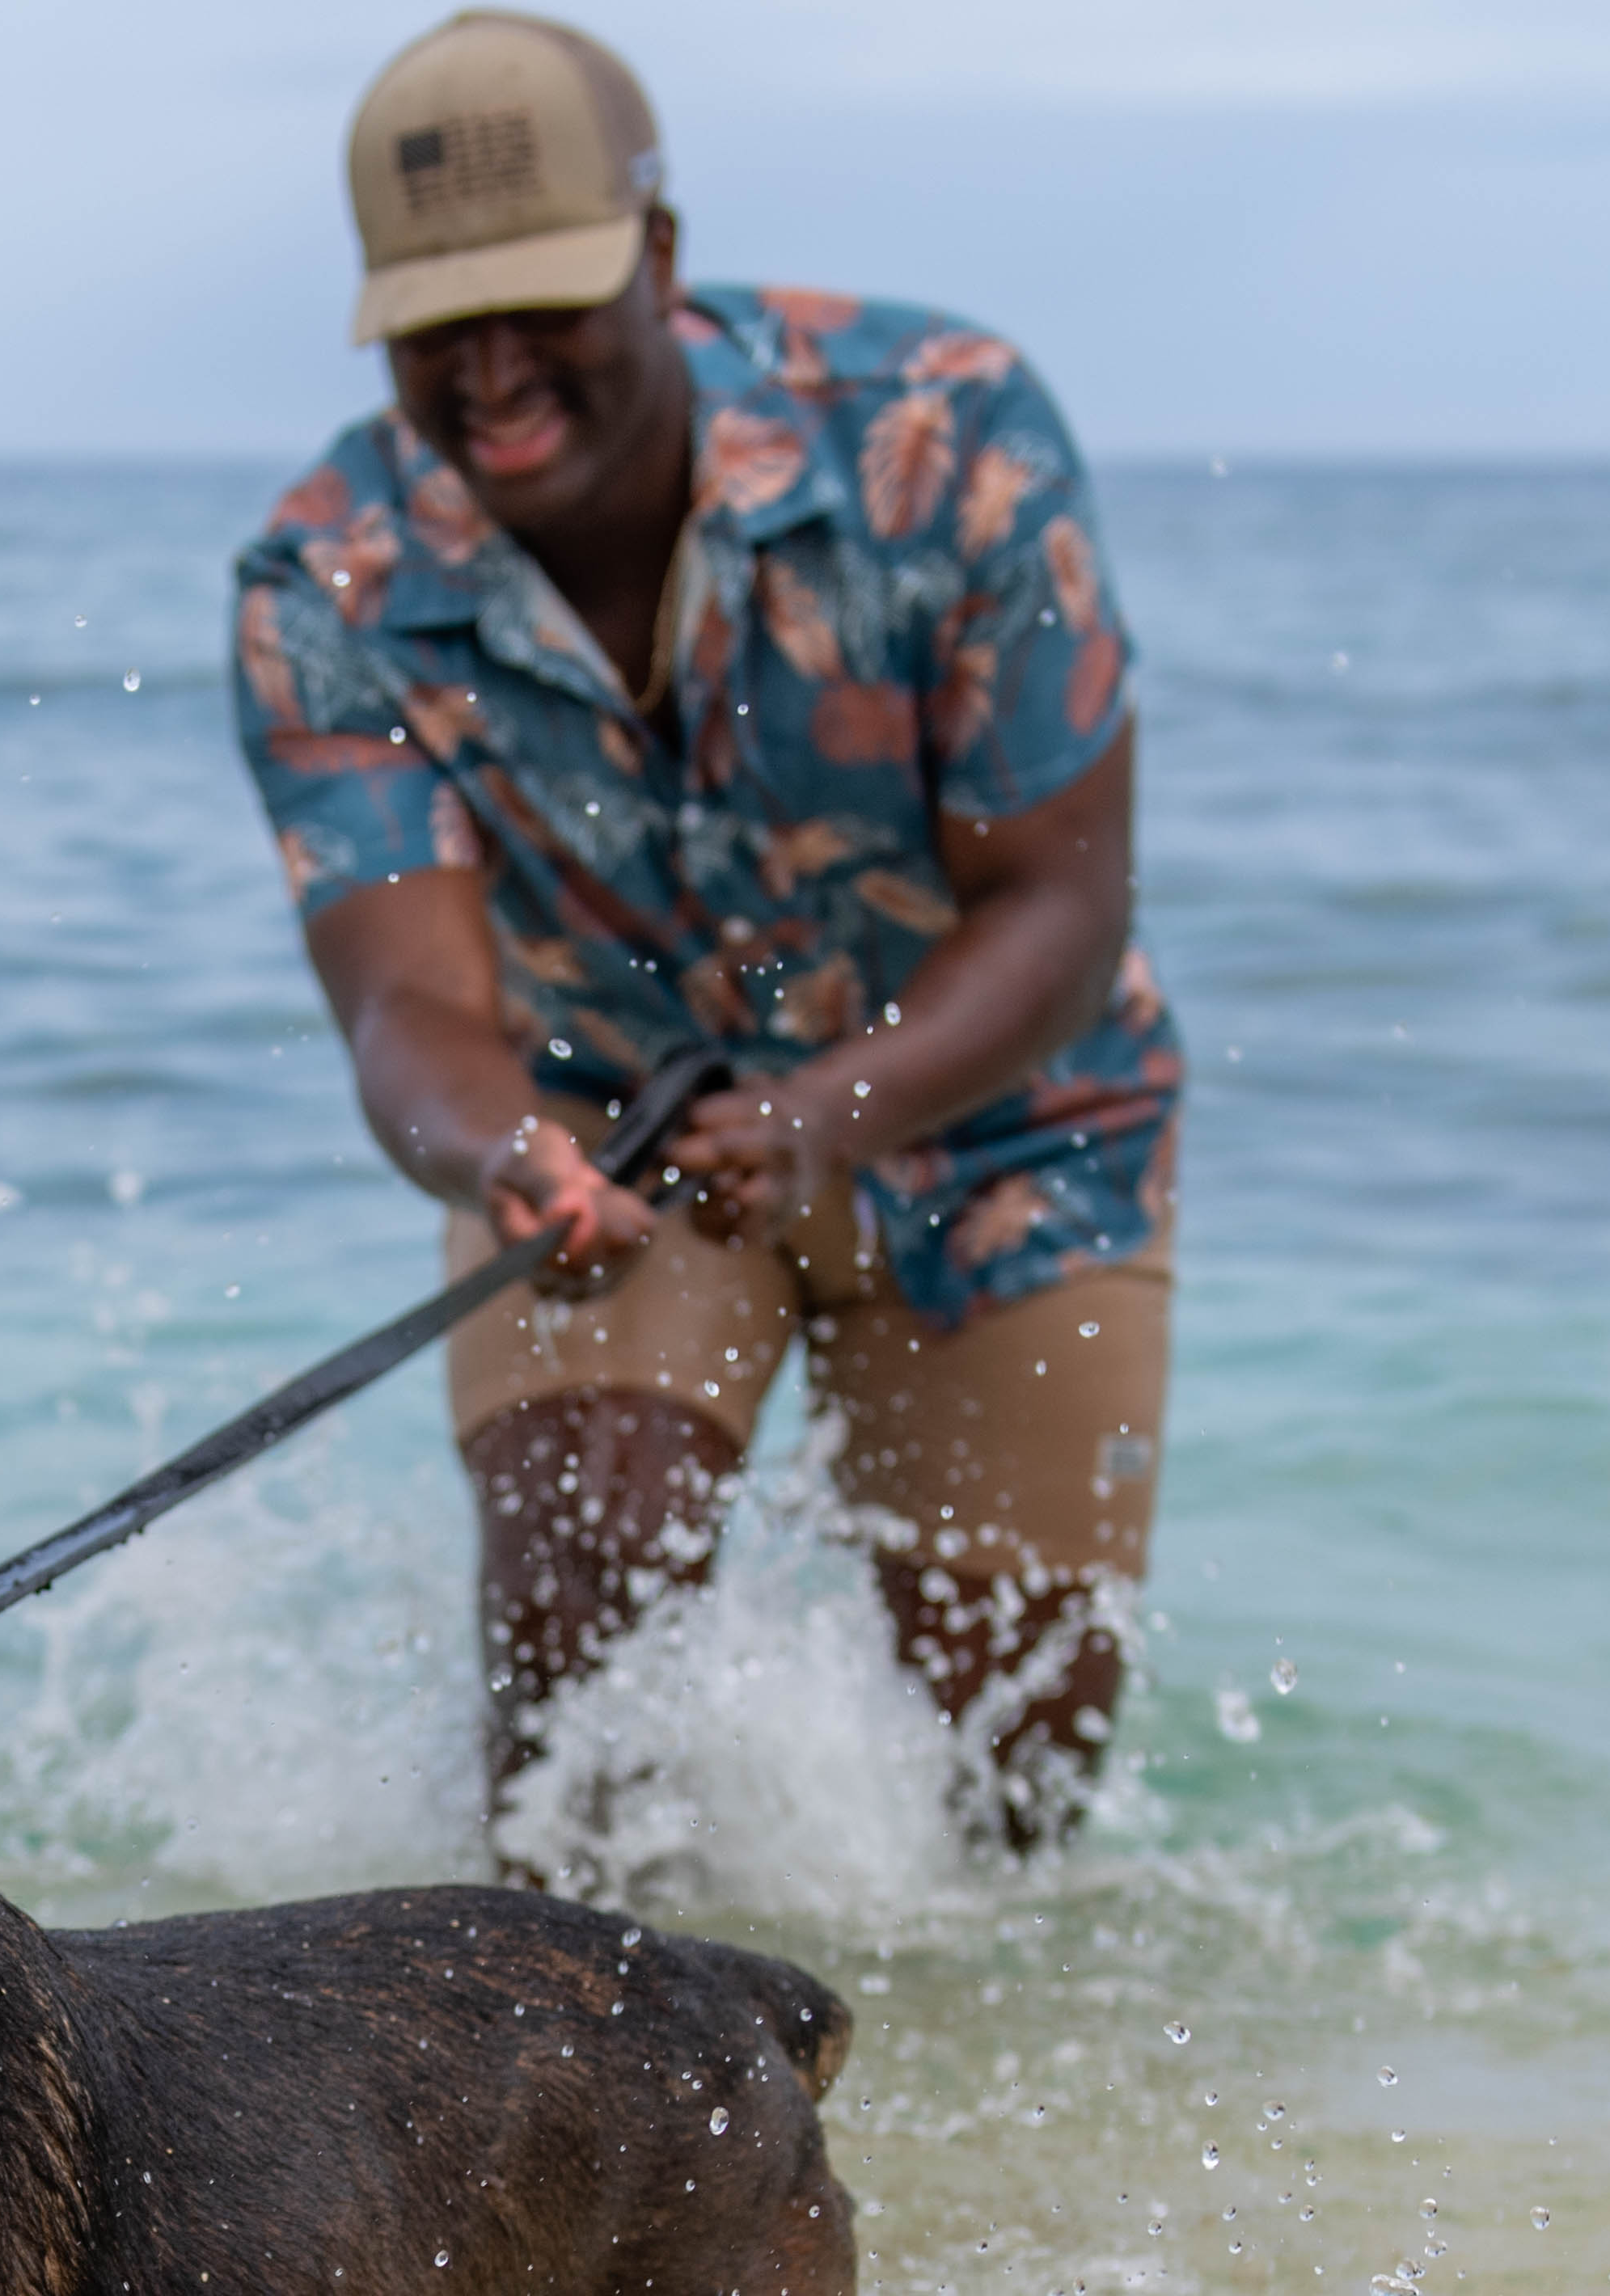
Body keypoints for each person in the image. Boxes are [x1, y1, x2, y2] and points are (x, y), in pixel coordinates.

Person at [230, 11, 1183, 1850]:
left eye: (544, 306)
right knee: (570, 1638)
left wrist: (824, 1114)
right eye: (440, 326)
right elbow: (408, 1005)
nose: (492, 372)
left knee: (1013, 1781)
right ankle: (573, 2096)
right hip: (611, 1138)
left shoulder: (947, 441)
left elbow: (1060, 910)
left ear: (656, 257)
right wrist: (504, 1151)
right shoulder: (321, 582)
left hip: (1002, 1116)